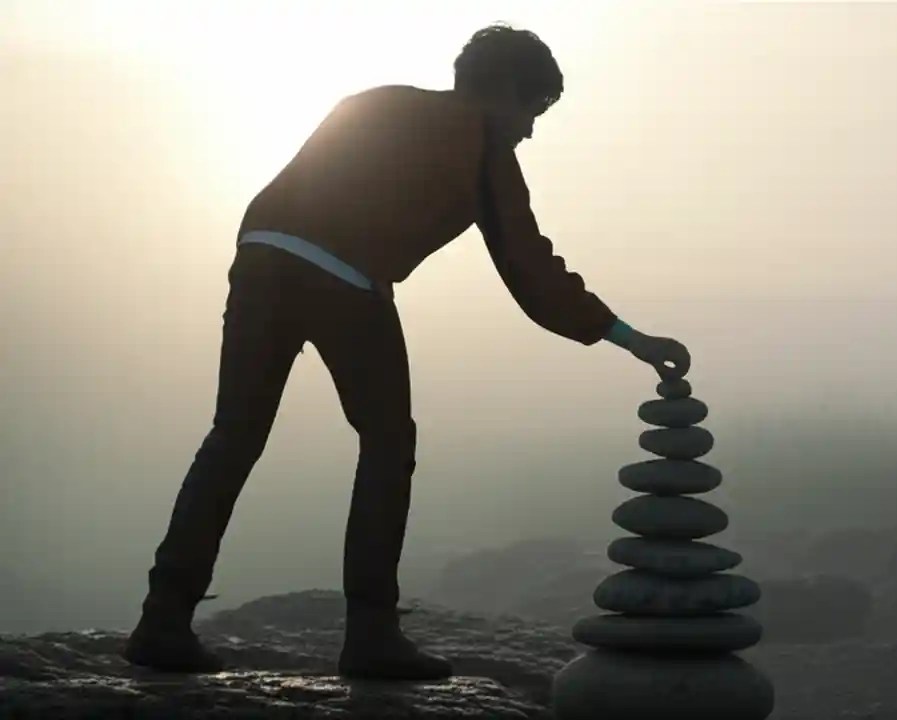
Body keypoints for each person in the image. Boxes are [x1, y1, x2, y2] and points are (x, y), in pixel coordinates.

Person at [122, 24, 691, 680]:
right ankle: (371, 636)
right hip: (347, 281)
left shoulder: (374, 99)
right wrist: (629, 338)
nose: (530, 132)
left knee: (233, 436)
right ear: (503, 92)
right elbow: (531, 267)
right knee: (388, 443)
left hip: (260, 259)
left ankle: (161, 620)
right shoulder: (481, 147)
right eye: (532, 112)